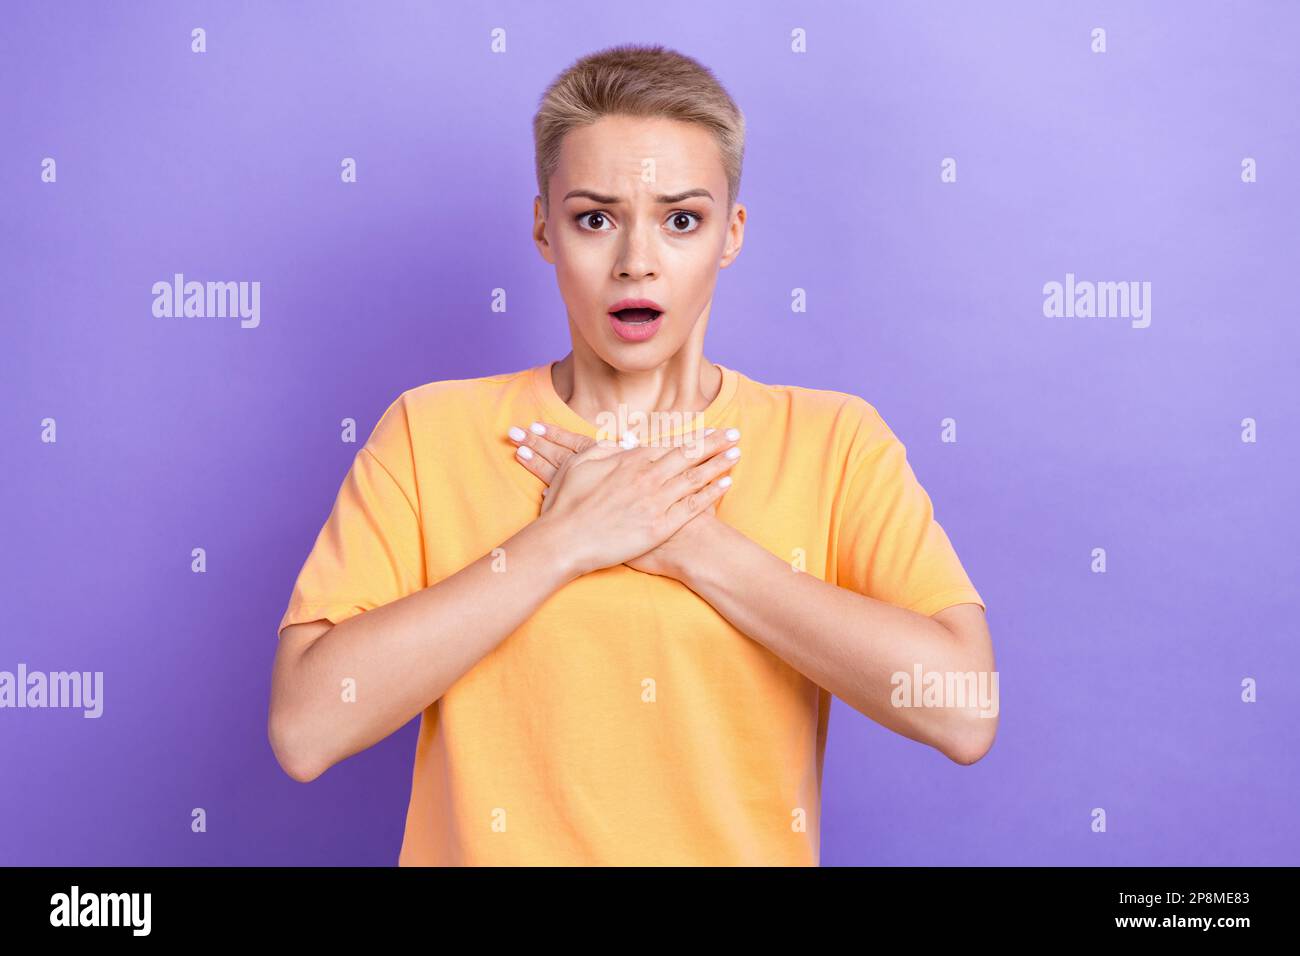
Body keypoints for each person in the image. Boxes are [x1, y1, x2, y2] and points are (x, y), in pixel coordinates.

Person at [269, 43, 995, 866]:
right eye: (595, 218)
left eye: (681, 219)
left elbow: (965, 712)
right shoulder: (428, 431)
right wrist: (565, 540)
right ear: (545, 228)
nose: (636, 262)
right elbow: (305, 728)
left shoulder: (834, 441)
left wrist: (696, 547)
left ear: (732, 233)